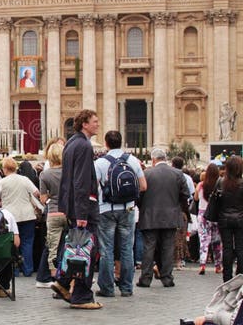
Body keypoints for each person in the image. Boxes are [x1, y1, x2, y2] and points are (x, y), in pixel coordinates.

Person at [56, 109, 102, 309]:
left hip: (72, 205)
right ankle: (82, 296)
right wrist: (82, 213)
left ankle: (63, 281)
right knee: (87, 251)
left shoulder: (71, 143)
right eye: (94, 121)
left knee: (74, 248)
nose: (97, 124)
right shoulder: (83, 146)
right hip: (83, 208)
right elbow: (81, 182)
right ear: (84, 124)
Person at [95, 130, 146, 297]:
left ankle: (107, 288)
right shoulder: (133, 160)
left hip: (106, 209)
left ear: (106, 143)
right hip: (128, 208)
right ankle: (126, 287)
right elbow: (143, 186)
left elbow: (93, 187)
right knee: (126, 249)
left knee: (106, 250)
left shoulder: (100, 162)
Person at [136, 147, 190, 289]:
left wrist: (144, 207)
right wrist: (176, 205)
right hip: (171, 215)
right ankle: (167, 277)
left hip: (149, 215)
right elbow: (185, 194)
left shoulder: (146, 173)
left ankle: (145, 278)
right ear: (165, 158)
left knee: (149, 247)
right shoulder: (178, 173)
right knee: (167, 247)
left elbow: (138, 195)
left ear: (153, 159)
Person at [0, 157, 41, 277]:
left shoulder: (2, 182)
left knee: (12, 243)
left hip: (10, 216)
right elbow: (36, 193)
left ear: (5, 168)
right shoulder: (24, 179)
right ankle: (28, 269)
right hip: (27, 215)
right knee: (27, 242)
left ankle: (14, 270)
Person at [38, 141, 67, 285]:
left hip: (53, 213)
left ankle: (54, 278)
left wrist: (51, 195)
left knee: (52, 248)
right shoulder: (69, 172)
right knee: (69, 245)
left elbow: (43, 199)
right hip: (68, 212)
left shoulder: (45, 174)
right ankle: (69, 274)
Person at [216, 155, 243, 282]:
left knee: (227, 248)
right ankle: (240, 274)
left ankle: (227, 277)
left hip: (224, 219)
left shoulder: (221, 182)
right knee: (240, 247)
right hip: (241, 219)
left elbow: (217, 202)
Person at [194, 163, 223, 276]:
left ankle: (202, 264)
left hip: (203, 215)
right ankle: (218, 266)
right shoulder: (220, 185)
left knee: (203, 240)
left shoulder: (201, 185)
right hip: (216, 215)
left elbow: (195, 198)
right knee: (217, 242)